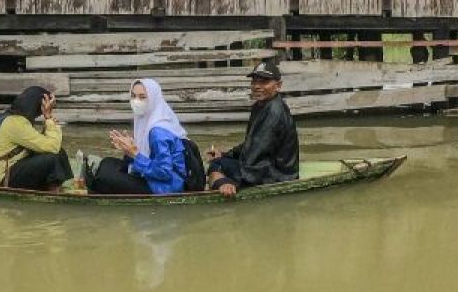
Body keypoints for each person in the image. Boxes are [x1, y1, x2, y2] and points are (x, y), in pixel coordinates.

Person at [206, 59, 299, 197]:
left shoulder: (274, 112)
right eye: (254, 81)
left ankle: (225, 186)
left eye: (263, 82)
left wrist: (225, 174)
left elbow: (253, 158)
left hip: (277, 175)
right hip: (269, 166)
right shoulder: (260, 106)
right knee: (219, 162)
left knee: (215, 166)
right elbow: (252, 142)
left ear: (278, 86)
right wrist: (226, 154)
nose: (256, 86)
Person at [86, 78, 188, 195]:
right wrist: (129, 149)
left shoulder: (158, 132)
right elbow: (149, 158)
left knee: (104, 178)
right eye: (133, 96)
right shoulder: (146, 119)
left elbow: (164, 173)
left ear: (153, 99)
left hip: (166, 186)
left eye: (142, 97)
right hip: (152, 175)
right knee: (107, 162)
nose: (136, 101)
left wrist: (135, 154)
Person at [0, 86, 72, 191]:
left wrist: (48, 122)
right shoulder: (16, 123)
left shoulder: (18, 120)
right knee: (52, 158)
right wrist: (48, 116)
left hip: (12, 166)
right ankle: (52, 191)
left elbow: (42, 145)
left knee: (60, 152)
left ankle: (54, 186)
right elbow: (53, 147)